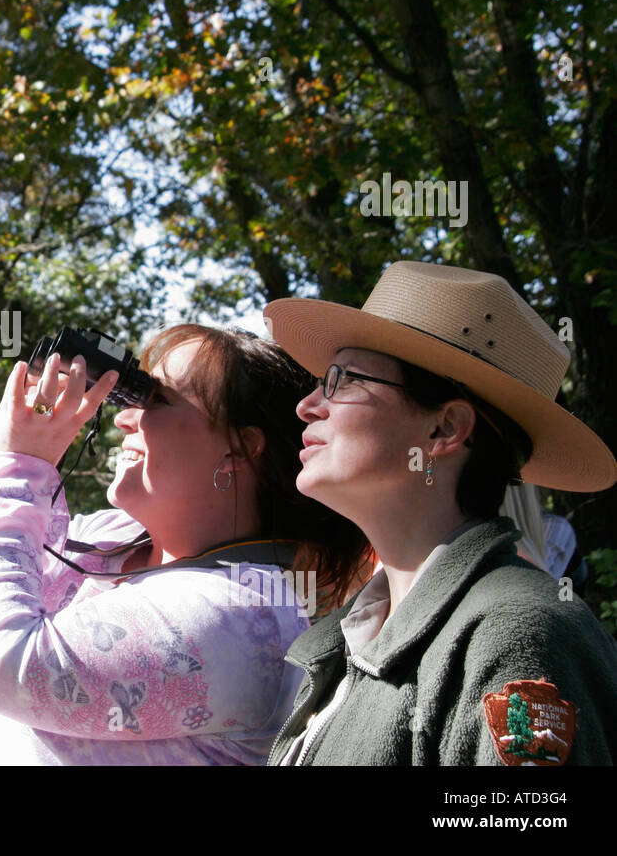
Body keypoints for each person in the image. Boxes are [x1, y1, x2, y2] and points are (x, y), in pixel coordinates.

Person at [0, 325, 370, 764]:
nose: (124, 418)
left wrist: (19, 462)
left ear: (239, 449)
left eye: (157, 400)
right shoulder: (110, 537)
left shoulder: (245, 614)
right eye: (132, 396)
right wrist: (1, 450)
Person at [263, 260, 617, 764]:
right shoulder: (361, 630)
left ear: (444, 429)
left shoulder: (519, 632)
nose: (308, 405)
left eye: (342, 380)